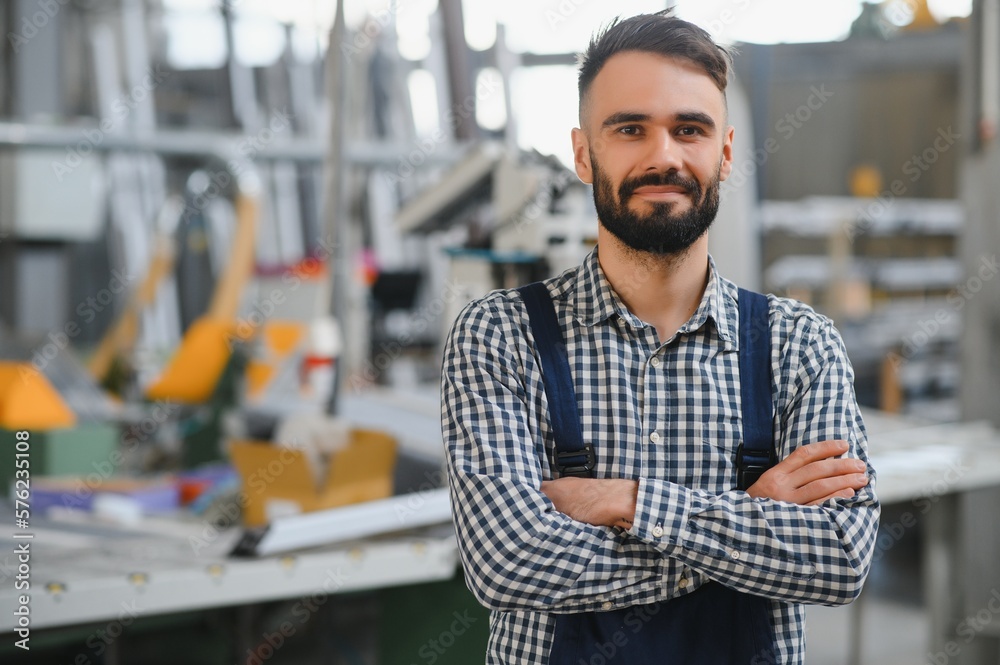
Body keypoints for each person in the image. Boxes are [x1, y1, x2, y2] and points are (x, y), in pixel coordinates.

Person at [441, 10, 879, 664]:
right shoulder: (500, 337)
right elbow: (508, 563)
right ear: (584, 152)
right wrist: (742, 521)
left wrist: (624, 500)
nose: (663, 156)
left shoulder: (799, 346)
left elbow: (839, 558)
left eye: (689, 129)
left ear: (725, 152)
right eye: (630, 129)